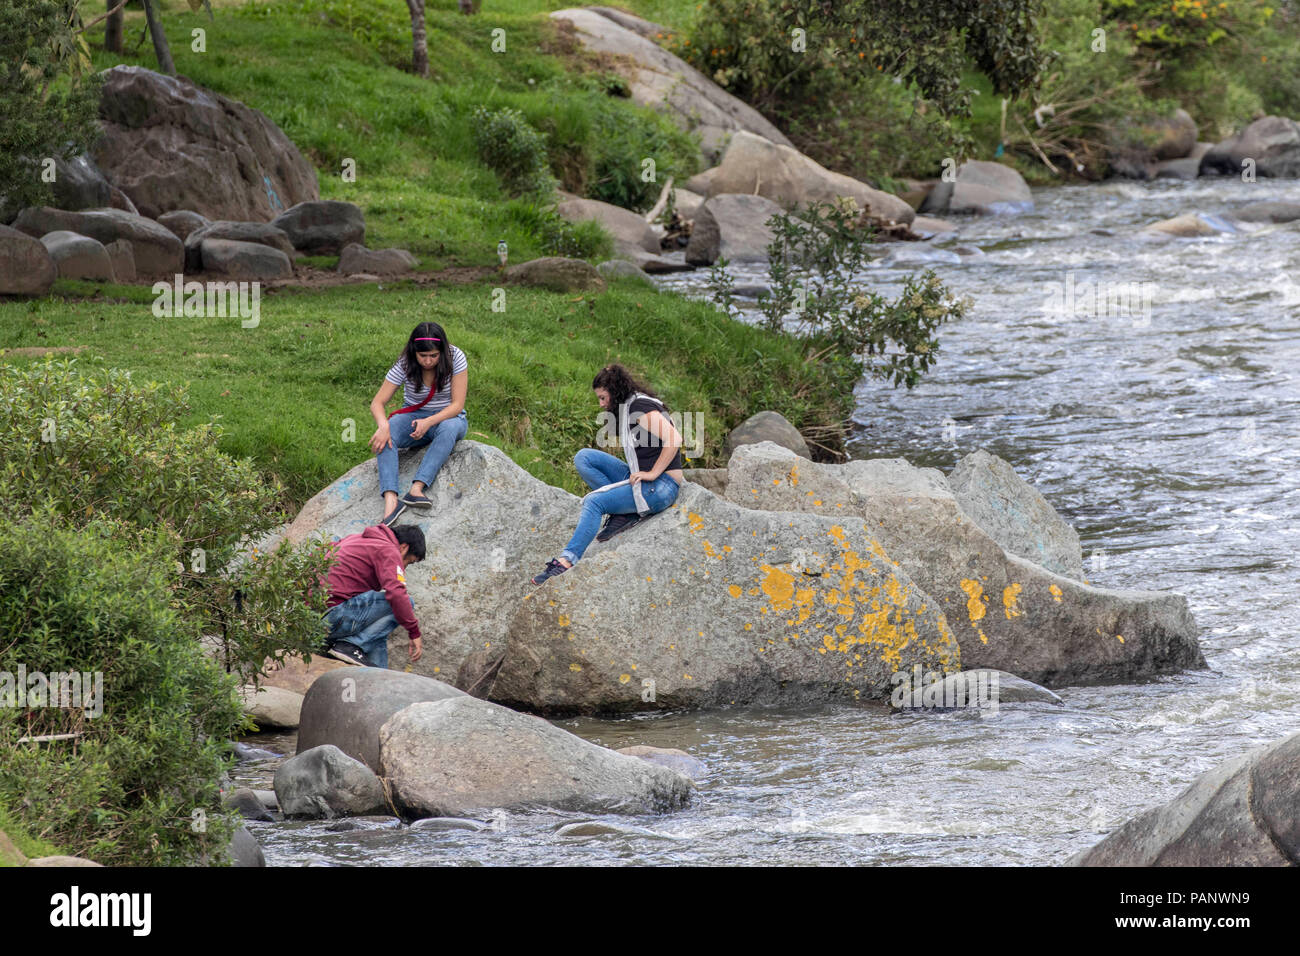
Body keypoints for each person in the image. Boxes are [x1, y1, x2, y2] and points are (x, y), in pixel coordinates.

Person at [531, 364, 684, 585]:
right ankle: (625, 511)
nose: (601, 404)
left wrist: (652, 473)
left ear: (615, 391)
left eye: (603, 398)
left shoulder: (639, 407)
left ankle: (566, 562)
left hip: (660, 487)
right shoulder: (633, 404)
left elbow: (674, 439)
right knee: (584, 458)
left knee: (594, 503)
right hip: (642, 479)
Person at [369, 321, 468, 526]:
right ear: (414, 352)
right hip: (413, 415)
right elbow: (378, 402)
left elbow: (457, 405)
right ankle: (391, 501)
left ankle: (417, 488)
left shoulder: (456, 356)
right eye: (423, 356)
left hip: (448, 417)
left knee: (448, 428)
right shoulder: (405, 362)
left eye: (434, 356)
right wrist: (383, 425)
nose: (428, 361)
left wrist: (429, 422)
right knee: (387, 434)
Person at [321, 523, 427, 667]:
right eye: (409, 562)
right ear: (404, 547)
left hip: (313, 618)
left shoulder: (354, 539)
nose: (404, 568)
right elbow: (396, 593)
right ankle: (349, 646)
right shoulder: (389, 549)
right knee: (406, 602)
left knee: (377, 636)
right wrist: (414, 632)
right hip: (334, 616)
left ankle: (379, 677)